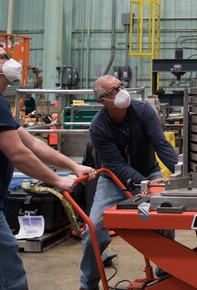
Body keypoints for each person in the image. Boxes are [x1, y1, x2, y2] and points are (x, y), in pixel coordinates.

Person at [0, 42, 96, 290]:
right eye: (4, 56)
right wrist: (57, 180)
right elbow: (18, 154)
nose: (12, 61)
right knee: (8, 282)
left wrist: (73, 167)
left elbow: (30, 143)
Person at [79, 74, 178, 290]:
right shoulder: (98, 128)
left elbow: (161, 144)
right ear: (102, 101)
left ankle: (167, 270)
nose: (121, 92)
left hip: (148, 172)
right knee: (94, 229)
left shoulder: (143, 111)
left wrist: (181, 174)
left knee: (164, 219)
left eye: (120, 86)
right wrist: (145, 185)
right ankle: (88, 284)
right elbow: (116, 166)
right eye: (113, 91)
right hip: (112, 181)